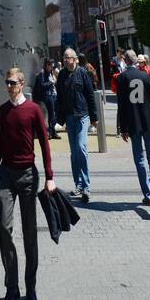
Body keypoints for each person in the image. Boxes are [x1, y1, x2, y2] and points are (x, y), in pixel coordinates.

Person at [0, 67, 55, 300]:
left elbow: (45, 143)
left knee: (30, 234)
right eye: (6, 83)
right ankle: (11, 289)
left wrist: (49, 177)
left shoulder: (33, 110)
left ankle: (31, 288)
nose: (9, 86)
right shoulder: (3, 110)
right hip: (6, 173)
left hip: (28, 175)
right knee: (5, 228)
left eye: (13, 83)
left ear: (22, 83)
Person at [117, 47, 150, 215]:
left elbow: (121, 105)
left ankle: (148, 195)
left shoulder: (122, 78)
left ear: (126, 61)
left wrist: (122, 128)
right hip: (149, 121)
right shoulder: (144, 76)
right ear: (136, 61)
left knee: (139, 159)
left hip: (132, 123)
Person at [55, 48, 98, 203]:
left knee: (81, 148)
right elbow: (59, 98)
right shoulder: (61, 75)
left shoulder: (83, 74)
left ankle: (86, 186)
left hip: (82, 116)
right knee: (74, 152)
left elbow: (90, 95)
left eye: (68, 57)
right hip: (69, 117)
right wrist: (58, 120)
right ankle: (78, 184)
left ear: (75, 59)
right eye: (64, 58)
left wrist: (94, 117)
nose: (66, 60)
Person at [32, 58, 58, 139]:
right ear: (46, 65)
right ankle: (50, 132)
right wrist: (51, 83)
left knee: (52, 114)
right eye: (50, 66)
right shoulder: (42, 73)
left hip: (51, 95)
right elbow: (42, 85)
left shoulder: (50, 72)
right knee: (49, 114)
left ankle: (52, 131)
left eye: (52, 66)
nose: (51, 67)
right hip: (44, 96)